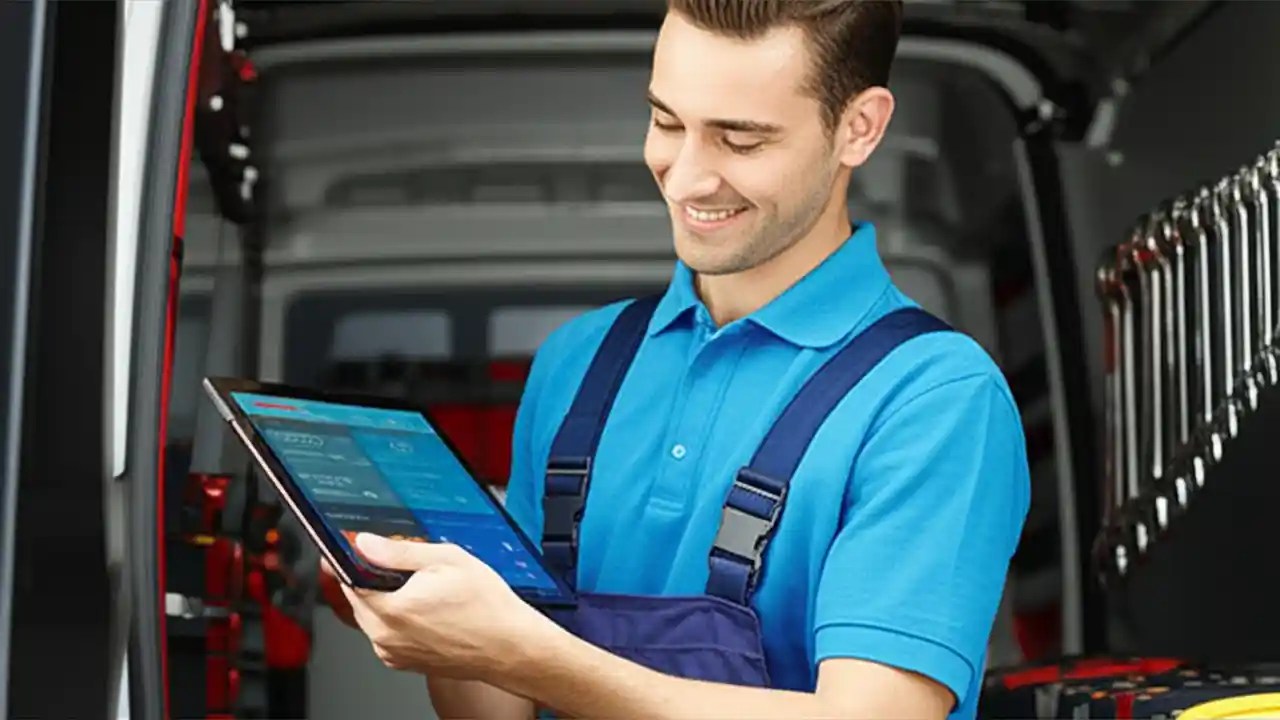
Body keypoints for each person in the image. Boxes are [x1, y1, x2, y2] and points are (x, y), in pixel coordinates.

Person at [325, 1, 1031, 718]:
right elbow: (495, 712)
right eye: (667, 122)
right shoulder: (577, 365)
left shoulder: (933, 399)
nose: (686, 177)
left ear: (860, 127)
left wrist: (526, 653)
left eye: (741, 140)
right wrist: (432, 618)